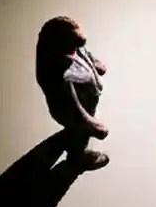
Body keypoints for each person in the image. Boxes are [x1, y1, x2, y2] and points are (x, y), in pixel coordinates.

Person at [36, 16, 110, 170]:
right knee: (79, 132)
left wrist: (94, 63)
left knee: (74, 131)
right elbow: (70, 104)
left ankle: (67, 138)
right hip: (74, 110)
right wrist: (89, 122)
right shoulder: (59, 71)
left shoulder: (74, 46)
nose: (77, 48)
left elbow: (84, 53)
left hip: (88, 98)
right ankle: (77, 158)